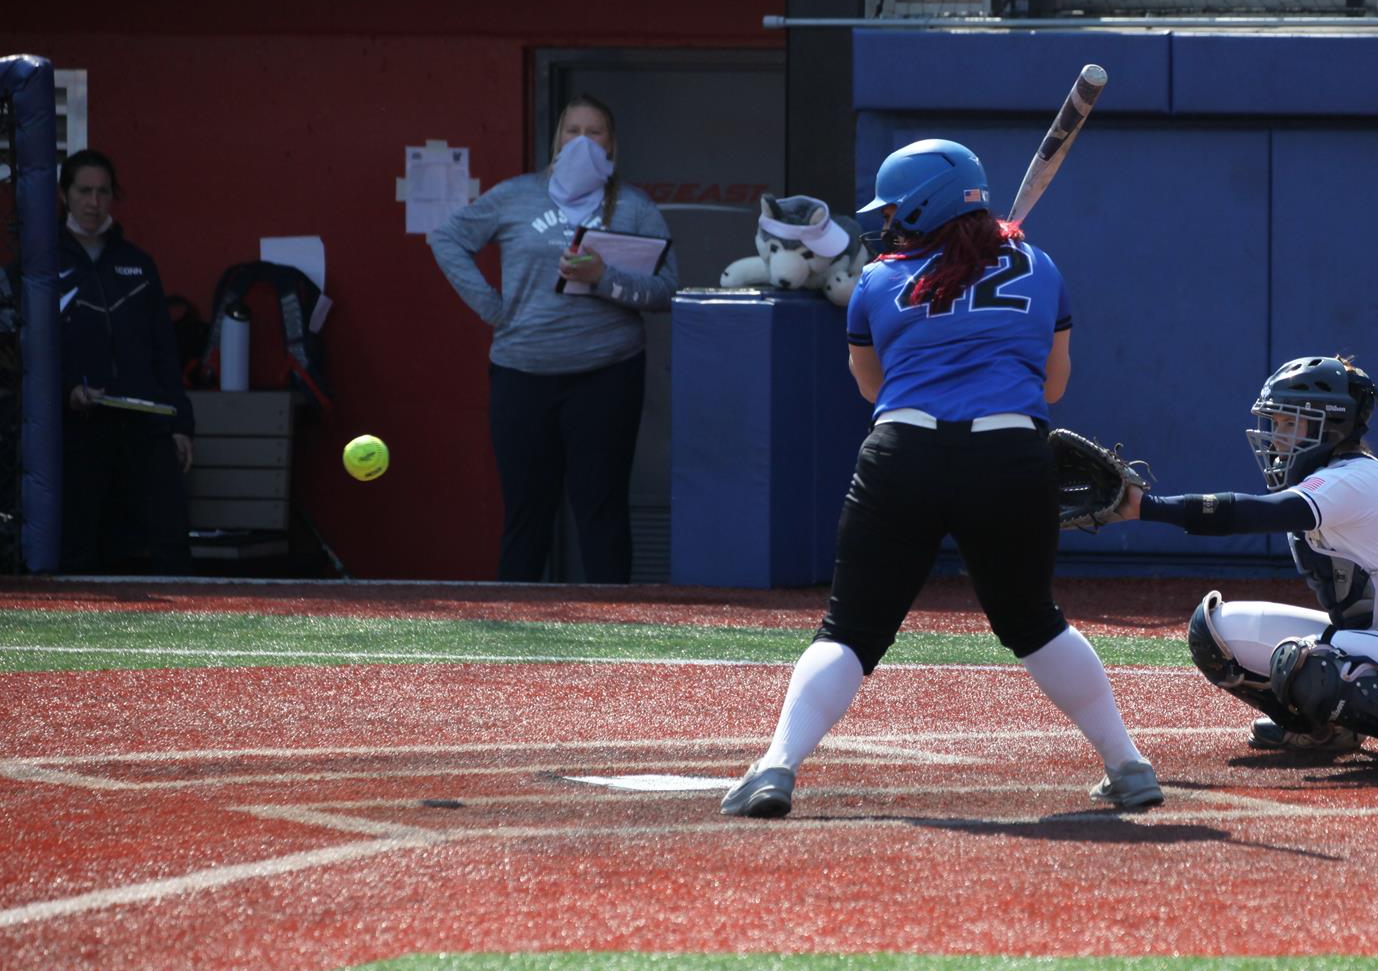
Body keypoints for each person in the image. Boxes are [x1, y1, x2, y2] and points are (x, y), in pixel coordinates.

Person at [721, 138, 1160, 819]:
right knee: (1034, 622)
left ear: (928, 204)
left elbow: (872, 387)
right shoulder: (1040, 267)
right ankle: (1127, 764)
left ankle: (776, 767)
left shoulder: (876, 281)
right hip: (1010, 456)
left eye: (896, 210)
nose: (887, 222)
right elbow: (1055, 383)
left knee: (851, 629)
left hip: (906, 452)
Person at [1109, 354, 1378, 778]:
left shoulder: (1354, 478)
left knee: (1305, 662)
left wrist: (1145, 507)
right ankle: (1326, 729)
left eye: (1287, 423)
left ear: (1329, 424)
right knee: (1213, 631)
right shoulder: (1330, 476)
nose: (1275, 437)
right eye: (1274, 422)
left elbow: (1253, 514)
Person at [430, 95, 676, 583]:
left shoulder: (634, 207)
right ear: (556, 141)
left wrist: (604, 276)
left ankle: (612, 638)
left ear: (613, 144)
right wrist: (492, 306)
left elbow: (666, 291)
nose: (582, 142)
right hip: (523, 373)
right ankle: (514, 641)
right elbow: (447, 238)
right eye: (572, 131)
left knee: (601, 512)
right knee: (527, 514)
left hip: (607, 375)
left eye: (595, 132)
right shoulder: (515, 196)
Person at [56, 149, 196, 574]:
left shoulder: (137, 263)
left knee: (171, 541)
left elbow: (164, 351)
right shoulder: (42, 264)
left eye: (103, 192)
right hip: (79, 426)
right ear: (65, 195)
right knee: (79, 545)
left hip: (144, 420)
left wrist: (180, 423)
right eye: (84, 191)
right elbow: (25, 353)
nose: (94, 202)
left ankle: (188, 630)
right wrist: (69, 391)